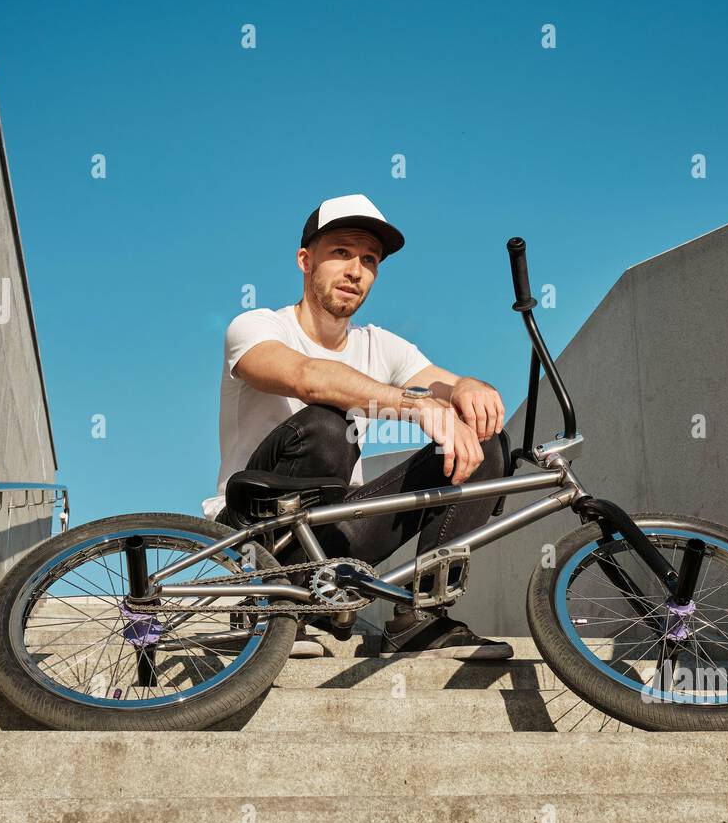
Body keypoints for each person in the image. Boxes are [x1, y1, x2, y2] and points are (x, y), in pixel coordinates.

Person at [202, 193, 514, 660]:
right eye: (341, 253)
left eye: (369, 260)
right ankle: (263, 602)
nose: (356, 270)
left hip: (335, 534)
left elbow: (446, 385)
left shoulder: (383, 346)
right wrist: (416, 406)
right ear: (305, 261)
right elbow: (308, 378)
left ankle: (422, 619)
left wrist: (470, 387)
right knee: (328, 425)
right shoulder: (255, 326)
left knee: (484, 442)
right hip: (253, 531)